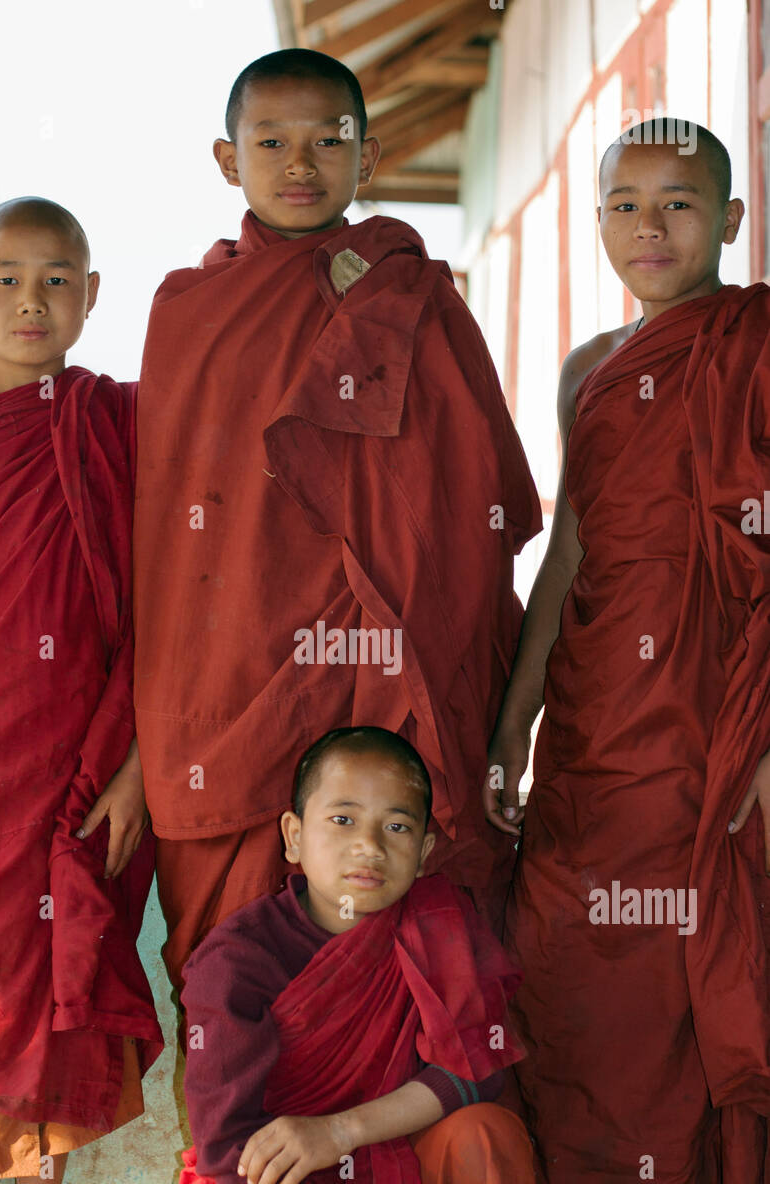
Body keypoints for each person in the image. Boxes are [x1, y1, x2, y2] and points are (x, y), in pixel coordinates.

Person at [133, 47, 541, 995]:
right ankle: (230, 1144)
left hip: (379, 668)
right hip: (225, 675)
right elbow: (164, 515)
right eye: (271, 140)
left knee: (388, 935)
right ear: (228, 160)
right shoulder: (187, 311)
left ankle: (382, 1141)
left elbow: (474, 497)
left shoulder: (411, 292)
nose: (301, 161)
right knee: (232, 978)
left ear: (370, 155)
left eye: (330, 139)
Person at [484, 119, 770, 1184]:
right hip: (598, 720)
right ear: (596, 219)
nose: (649, 230)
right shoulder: (586, 369)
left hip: (717, 713)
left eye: (679, 204)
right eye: (624, 206)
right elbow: (570, 552)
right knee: (550, 962)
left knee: (684, 969)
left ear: (730, 223)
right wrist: (513, 716)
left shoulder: (755, 346)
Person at [0, 197, 162, 1184]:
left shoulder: (121, 426)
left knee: (60, 990)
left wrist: (138, 765)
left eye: (57, 278)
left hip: (76, 760)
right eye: (7, 278)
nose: (31, 300)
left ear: (91, 296)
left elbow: (169, 606)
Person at [176, 726, 540, 1184]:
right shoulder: (238, 960)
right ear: (293, 837)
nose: (370, 846)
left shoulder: (440, 924)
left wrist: (341, 1132)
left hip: (400, 1153)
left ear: (422, 853)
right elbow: (225, 1143)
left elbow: (478, 1071)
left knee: (488, 1137)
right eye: (342, 820)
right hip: (275, 1183)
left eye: (396, 827)